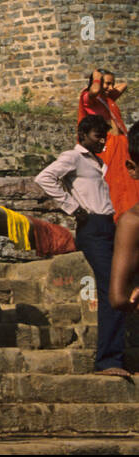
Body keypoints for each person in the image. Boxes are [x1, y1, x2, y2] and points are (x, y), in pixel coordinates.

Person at [35, 115, 128, 376]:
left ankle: (116, 356)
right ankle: (108, 361)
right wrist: (72, 207)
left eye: (104, 137)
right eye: (98, 136)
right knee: (112, 287)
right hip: (92, 228)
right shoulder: (73, 157)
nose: (102, 141)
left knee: (122, 283)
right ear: (83, 134)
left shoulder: (97, 162)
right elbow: (45, 178)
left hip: (109, 226)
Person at [79, 69, 139, 217]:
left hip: (121, 145)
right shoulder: (89, 98)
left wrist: (106, 87)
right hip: (109, 148)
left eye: (112, 84)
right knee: (115, 185)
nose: (111, 87)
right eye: (107, 83)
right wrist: (97, 77)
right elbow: (93, 90)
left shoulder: (106, 99)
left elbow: (123, 85)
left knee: (130, 184)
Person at [108, 121, 139, 314]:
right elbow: (119, 297)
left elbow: (119, 297)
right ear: (131, 168)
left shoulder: (133, 221)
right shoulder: (132, 222)